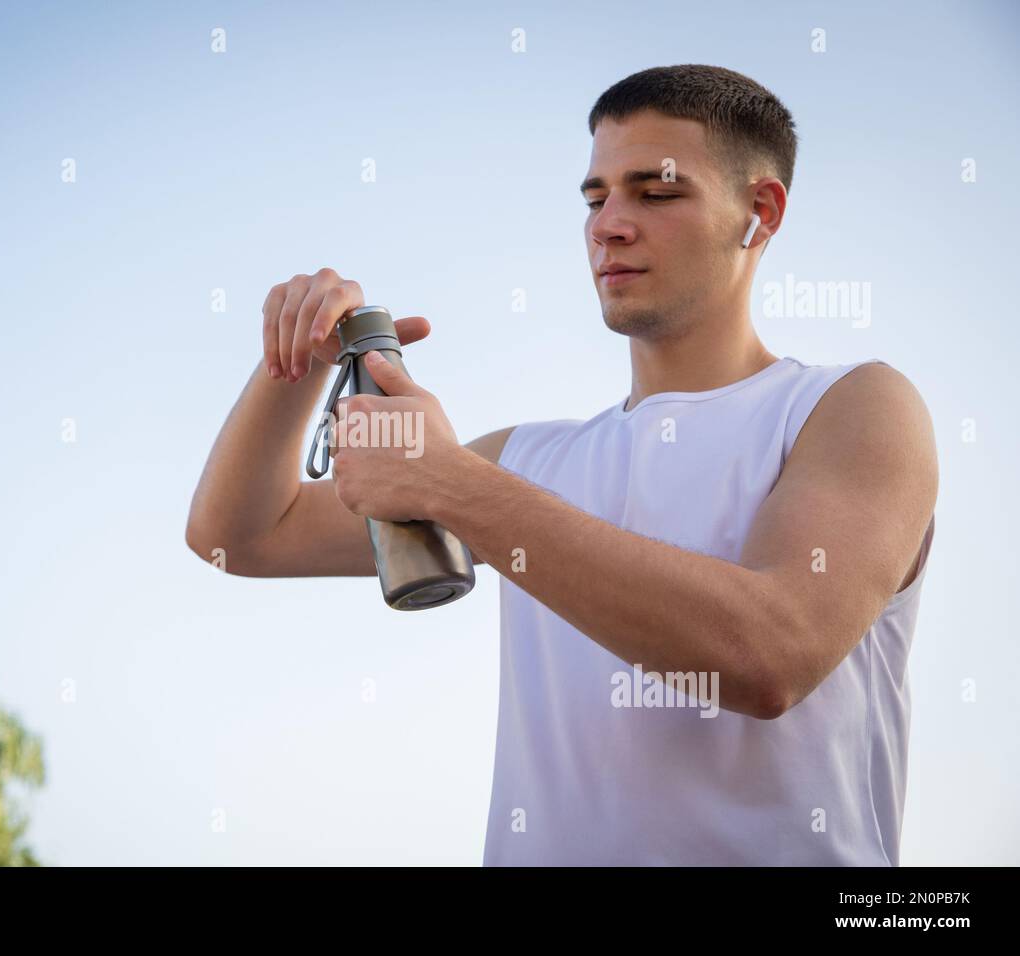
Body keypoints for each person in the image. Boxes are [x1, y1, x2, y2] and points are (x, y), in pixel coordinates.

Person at [185, 64, 938, 866]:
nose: (609, 224)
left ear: (760, 212)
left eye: (656, 192)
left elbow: (768, 656)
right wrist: (295, 361)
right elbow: (243, 535)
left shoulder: (854, 407)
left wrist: (454, 485)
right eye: (594, 197)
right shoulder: (529, 460)